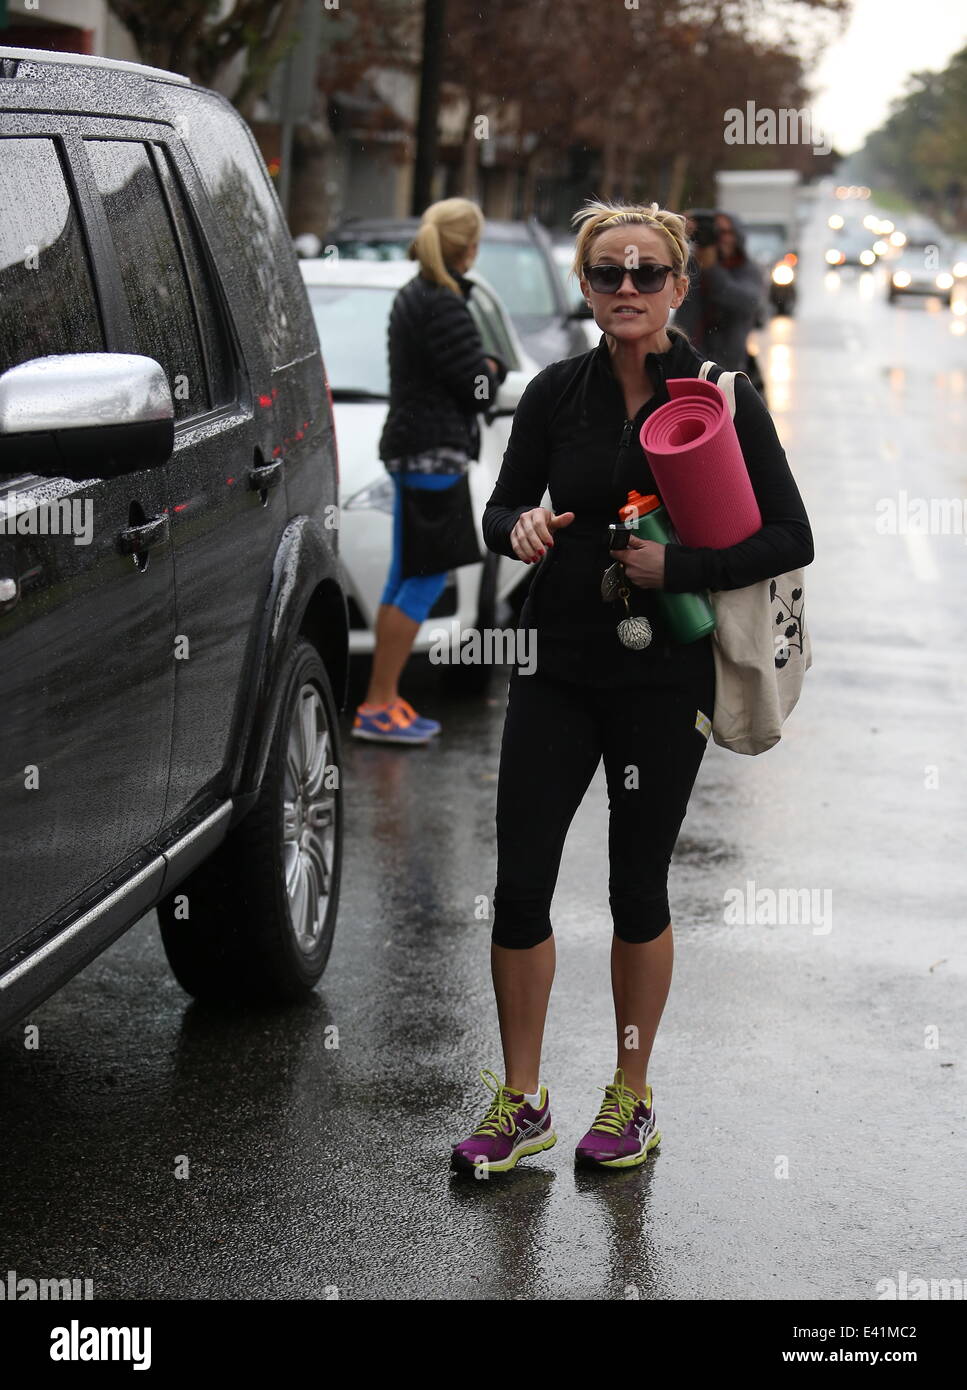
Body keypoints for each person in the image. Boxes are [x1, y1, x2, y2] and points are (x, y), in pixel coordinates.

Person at [451, 198, 813, 1174]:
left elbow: (791, 535)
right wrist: (516, 529)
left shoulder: (713, 395)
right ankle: (521, 1100)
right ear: (583, 285)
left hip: (662, 675)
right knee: (519, 882)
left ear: (677, 286)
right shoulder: (554, 393)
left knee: (634, 886)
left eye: (645, 272)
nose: (625, 288)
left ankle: (631, 1097)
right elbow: (499, 509)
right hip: (557, 665)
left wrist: (679, 571)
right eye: (606, 273)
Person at [353, 198, 506, 745]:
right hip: (432, 455)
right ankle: (378, 703)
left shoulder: (414, 296)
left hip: (411, 450)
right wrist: (494, 367)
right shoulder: (444, 304)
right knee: (420, 580)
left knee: (406, 576)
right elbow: (476, 387)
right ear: (468, 247)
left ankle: (385, 699)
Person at [675, 209, 765, 374]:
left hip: (728, 367)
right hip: (687, 362)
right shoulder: (690, 265)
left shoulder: (747, 269)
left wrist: (712, 269)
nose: (721, 238)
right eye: (716, 231)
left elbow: (746, 303)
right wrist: (676, 231)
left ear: (738, 236)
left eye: (726, 232)